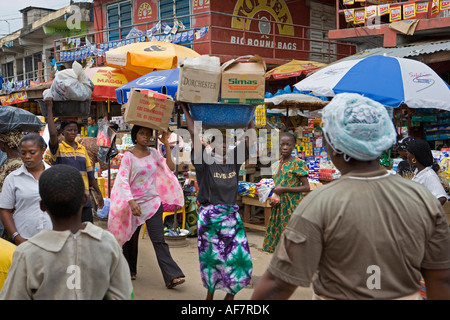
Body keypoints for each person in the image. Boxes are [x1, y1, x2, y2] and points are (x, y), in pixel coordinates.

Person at [252, 93, 450, 300]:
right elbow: (440, 279)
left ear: (335, 145)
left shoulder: (320, 202)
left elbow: (277, 284)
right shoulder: (423, 198)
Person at [0, 164, 133, 300]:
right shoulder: (107, 244)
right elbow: (124, 294)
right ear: (85, 200)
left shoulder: (27, 253)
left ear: (42, 206)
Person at [179, 102, 256, 300]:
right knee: (214, 263)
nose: (222, 144)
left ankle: (229, 298)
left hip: (231, 218)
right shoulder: (203, 162)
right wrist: (185, 109)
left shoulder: (233, 159)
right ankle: (209, 298)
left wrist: (252, 111)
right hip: (210, 220)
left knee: (240, 262)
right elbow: (193, 133)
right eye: (216, 141)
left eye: (225, 141)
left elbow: (251, 137)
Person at [108, 125, 185, 288]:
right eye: (142, 133)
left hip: (153, 203)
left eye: (148, 134)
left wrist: (165, 145)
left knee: (159, 239)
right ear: (135, 136)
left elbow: (170, 168)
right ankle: (129, 270)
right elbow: (123, 180)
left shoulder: (155, 153)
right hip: (133, 204)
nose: (145, 137)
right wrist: (131, 201)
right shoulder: (128, 156)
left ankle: (173, 276)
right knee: (130, 239)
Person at [45, 98, 104, 222]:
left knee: (87, 235)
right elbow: (52, 134)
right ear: (63, 132)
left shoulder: (82, 149)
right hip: (66, 200)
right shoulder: (58, 149)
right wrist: (49, 109)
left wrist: (99, 193)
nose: (72, 133)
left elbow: (90, 175)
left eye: (75, 130)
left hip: (84, 199)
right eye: (69, 130)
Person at [0, 134, 53, 245]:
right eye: (23, 153)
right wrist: (16, 237)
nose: (27, 157)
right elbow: (4, 210)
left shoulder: (55, 174)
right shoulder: (13, 178)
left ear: (43, 150)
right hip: (25, 240)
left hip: (53, 239)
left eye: (32, 152)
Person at [263, 132, 310, 253]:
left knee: (292, 238)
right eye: (282, 144)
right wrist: (273, 198)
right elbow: (276, 186)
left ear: (294, 146)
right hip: (279, 206)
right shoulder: (275, 165)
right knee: (279, 239)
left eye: (288, 144)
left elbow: (306, 187)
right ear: (278, 146)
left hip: (292, 206)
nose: (285, 147)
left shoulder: (298, 163)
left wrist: (284, 189)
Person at [406, 138, 447, 206]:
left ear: (413, 156)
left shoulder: (428, 175)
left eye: (408, 154)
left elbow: (442, 198)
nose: (407, 157)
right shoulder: (418, 172)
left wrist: (427, 213)